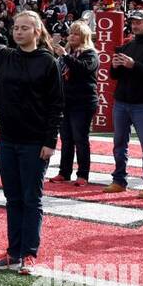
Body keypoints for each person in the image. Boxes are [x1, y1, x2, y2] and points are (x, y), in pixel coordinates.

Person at [0, 0, 64, 274]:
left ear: (36, 31)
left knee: (31, 197)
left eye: (24, 28)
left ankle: (29, 253)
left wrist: (50, 141)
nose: (19, 31)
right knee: (13, 198)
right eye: (16, 27)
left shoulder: (48, 62)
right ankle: (13, 252)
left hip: (35, 142)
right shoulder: (5, 57)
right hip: (7, 139)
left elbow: (56, 105)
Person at [105, 9, 143, 198]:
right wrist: (114, 66)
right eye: (133, 22)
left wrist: (134, 65)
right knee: (119, 143)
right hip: (122, 100)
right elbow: (115, 76)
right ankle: (119, 180)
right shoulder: (127, 46)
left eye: (138, 22)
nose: (134, 25)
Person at [52, 20, 99, 186]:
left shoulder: (90, 54)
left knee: (80, 138)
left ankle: (83, 174)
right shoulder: (68, 54)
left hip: (83, 102)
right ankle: (64, 172)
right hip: (66, 101)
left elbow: (82, 69)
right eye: (71, 33)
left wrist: (64, 55)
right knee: (66, 138)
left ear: (84, 37)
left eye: (76, 33)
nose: (72, 36)